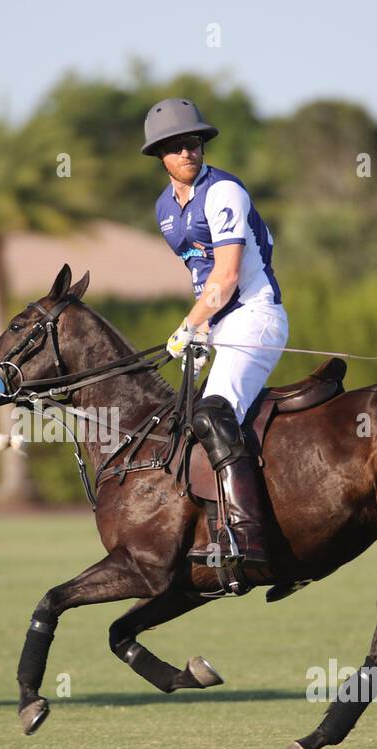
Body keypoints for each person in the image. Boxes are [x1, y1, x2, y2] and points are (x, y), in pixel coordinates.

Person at [143, 97, 289, 567]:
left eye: (194, 142)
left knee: (213, 413)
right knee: (185, 423)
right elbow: (200, 277)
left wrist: (188, 326)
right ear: (159, 156)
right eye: (174, 146)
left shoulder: (224, 191)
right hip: (219, 322)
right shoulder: (165, 208)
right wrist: (201, 334)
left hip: (254, 314)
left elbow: (224, 278)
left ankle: (249, 540)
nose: (187, 151)